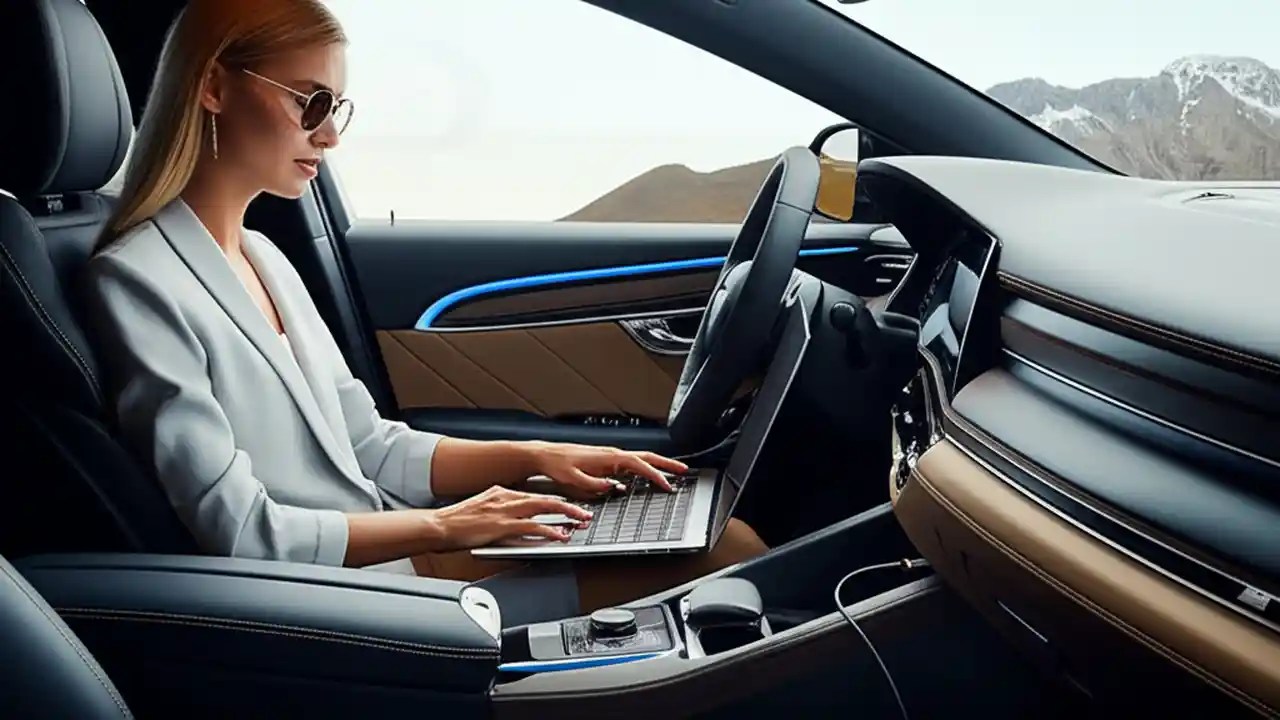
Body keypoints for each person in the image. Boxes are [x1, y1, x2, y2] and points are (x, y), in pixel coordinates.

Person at [84, 0, 766, 627]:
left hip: (394, 545)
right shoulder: (137, 281)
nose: (328, 137)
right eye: (311, 102)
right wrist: (449, 528)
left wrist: (533, 456)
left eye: (336, 108)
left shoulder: (262, 255)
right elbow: (242, 531)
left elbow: (370, 446)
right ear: (213, 87)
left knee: (700, 529)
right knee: (726, 552)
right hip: (341, 593)